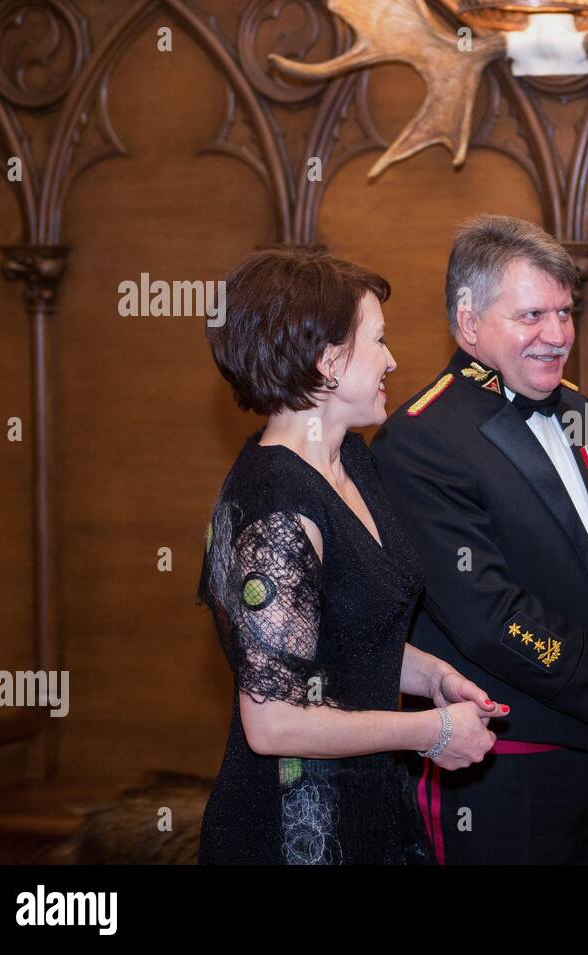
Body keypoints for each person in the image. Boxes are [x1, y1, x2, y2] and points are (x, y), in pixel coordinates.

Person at [371, 215, 588, 864]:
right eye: (531, 315)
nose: (557, 335)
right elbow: (489, 616)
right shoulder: (421, 439)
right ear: (468, 321)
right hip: (500, 769)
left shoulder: (582, 411)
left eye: (564, 312)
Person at [197, 246, 499, 864]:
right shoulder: (276, 506)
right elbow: (273, 723)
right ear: (329, 362)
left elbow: (349, 640)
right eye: (379, 341)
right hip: (292, 831)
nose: (392, 360)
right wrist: (429, 731)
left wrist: (433, 676)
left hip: (368, 805)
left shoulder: (352, 461)